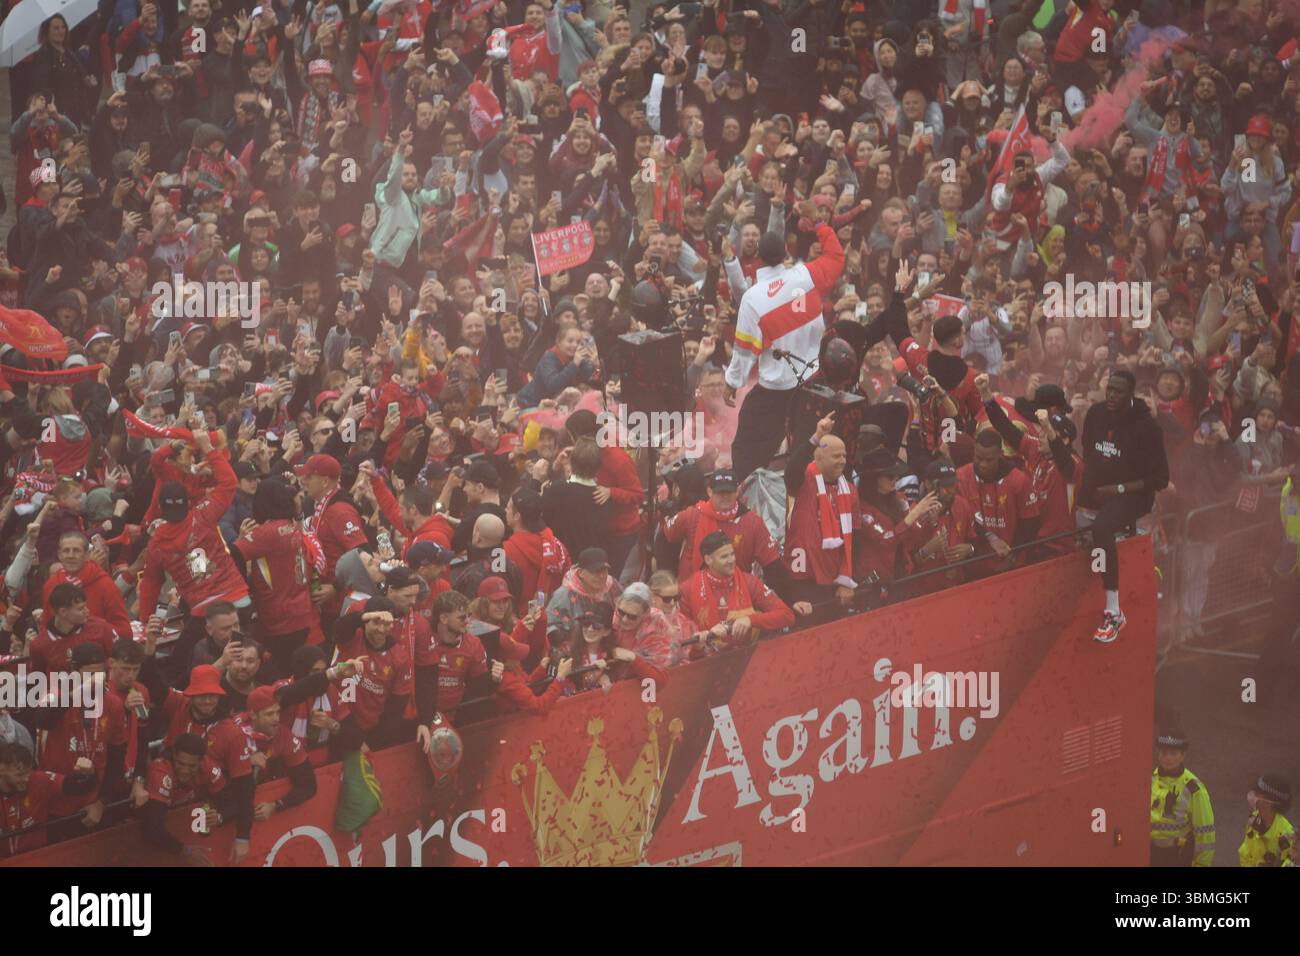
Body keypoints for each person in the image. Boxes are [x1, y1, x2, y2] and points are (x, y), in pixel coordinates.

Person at [726, 210, 845, 482]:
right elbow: (836, 256)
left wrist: (732, 382)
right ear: (786, 253)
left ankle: (744, 509)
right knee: (805, 456)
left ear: (757, 256)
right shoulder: (808, 275)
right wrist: (820, 223)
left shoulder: (753, 297)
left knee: (746, 456)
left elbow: (744, 349)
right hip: (814, 387)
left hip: (775, 393)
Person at [1078, 370, 1170, 643]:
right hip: (1102, 487)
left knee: (1102, 527)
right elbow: (1088, 449)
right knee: (1074, 508)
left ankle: (1114, 611)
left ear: (1131, 394)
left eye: (1118, 391)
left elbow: (1160, 479)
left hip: (1134, 493)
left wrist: (1117, 488)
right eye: (1109, 389)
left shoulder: (1147, 427)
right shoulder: (1095, 413)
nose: (1112, 395)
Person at [779, 412, 862, 613]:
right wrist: (816, 437)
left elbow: (855, 539)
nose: (842, 461)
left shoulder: (850, 490)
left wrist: (846, 579)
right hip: (802, 576)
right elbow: (791, 470)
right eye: (836, 456)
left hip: (833, 578)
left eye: (844, 455)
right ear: (818, 458)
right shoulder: (802, 479)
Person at [680, 531, 795, 657]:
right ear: (708, 559)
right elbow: (679, 642)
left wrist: (750, 619)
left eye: (732, 554)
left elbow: (786, 615)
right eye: (724, 557)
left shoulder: (749, 581)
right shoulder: (687, 589)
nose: (731, 560)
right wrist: (698, 645)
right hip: (705, 663)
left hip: (745, 659)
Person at [662, 468, 781, 581]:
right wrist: (672, 579)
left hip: (735, 592)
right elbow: (665, 538)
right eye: (720, 492)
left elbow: (773, 565)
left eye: (729, 492)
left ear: (737, 491)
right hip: (693, 594)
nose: (724, 496)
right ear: (709, 491)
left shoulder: (752, 522)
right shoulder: (691, 515)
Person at [1149, 728, 1215, 867]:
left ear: (1183, 755)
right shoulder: (1150, 780)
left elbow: (1205, 832)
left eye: (1173, 754)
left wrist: (1201, 864)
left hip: (1177, 856)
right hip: (1149, 854)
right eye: (1164, 753)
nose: (1168, 758)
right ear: (1158, 755)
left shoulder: (1193, 789)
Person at [1238, 774, 1294, 867]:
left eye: (1258, 793)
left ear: (1270, 802)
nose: (1253, 795)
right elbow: (1245, 856)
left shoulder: (1287, 835)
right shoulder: (1254, 820)